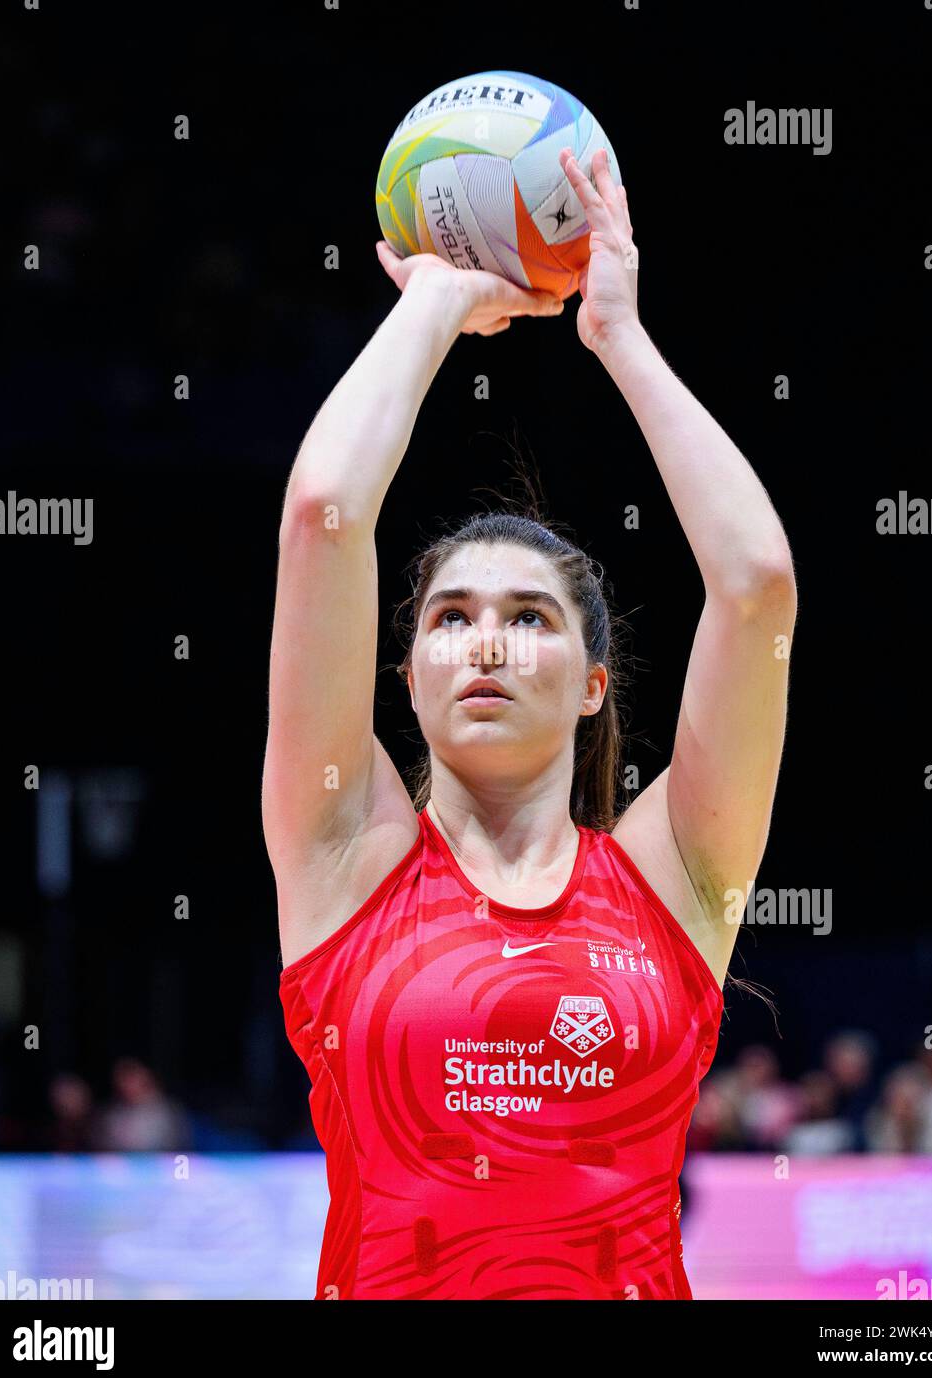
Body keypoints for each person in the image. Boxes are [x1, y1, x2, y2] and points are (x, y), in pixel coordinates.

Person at [264, 148, 797, 1299]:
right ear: (403, 676)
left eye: (529, 618)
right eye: (450, 618)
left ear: (594, 680)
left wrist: (620, 337)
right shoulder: (338, 854)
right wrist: (437, 305)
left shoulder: (677, 877)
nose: (488, 642)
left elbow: (756, 583)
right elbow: (322, 514)